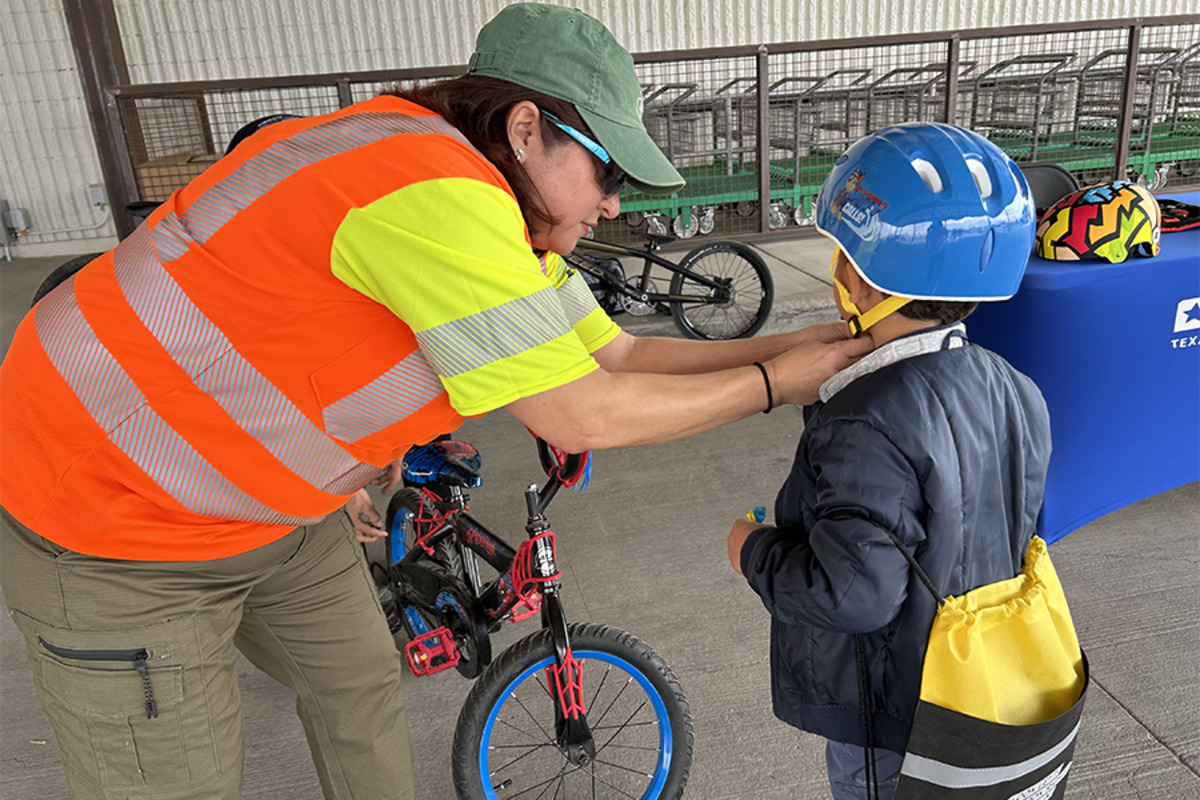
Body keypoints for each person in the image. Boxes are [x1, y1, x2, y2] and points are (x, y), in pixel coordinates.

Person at [0, 5, 871, 800]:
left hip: (269, 508)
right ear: (525, 129)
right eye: (607, 171)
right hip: (117, 521)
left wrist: (806, 344)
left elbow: (622, 353)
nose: (612, 203)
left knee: (358, 684)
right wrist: (776, 388)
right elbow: (581, 411)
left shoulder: (500, 219)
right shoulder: (430, 186)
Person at [725, 123, 1052, 800]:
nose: (837, 269)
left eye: (843, 254)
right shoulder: (1016, 387)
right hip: (984, 691)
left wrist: (753, 550)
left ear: (862, 282)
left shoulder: (864, 420)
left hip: (892, 716)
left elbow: (854, 594)